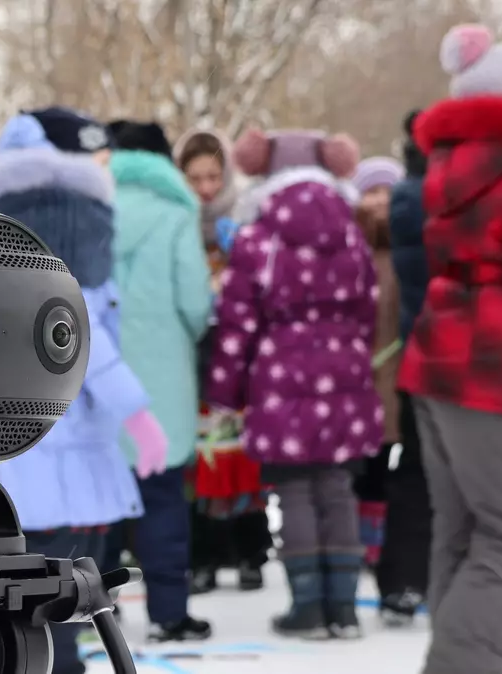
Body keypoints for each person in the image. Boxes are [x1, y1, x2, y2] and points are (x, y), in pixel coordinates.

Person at [0, 107, 168, 674]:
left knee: (36, 586)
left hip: (29, 452)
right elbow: (87, 347)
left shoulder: (6, 259)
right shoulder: (64, 263)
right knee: (57, 589)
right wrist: (137, 414)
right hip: (62, 456)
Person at [206, 128, 382, 639]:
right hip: (345, 373)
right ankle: (344, 610)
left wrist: (224, 390)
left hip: (280, 374)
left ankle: (307, 607)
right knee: (338, 487)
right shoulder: (350, 233)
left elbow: (237, 320)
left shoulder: (259, 240)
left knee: (296, 490)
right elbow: (368, 305)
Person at [397, 24, 502, 674]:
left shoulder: (450, 164)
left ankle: (458, 659)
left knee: (463, 527)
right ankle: (463, 664)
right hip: (492, 368)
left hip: (437, 358)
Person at [105, 120, 215, 642]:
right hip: (161, 377)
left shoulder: (93, 209)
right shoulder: (177, 213)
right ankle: (170, 613)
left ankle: (90, 614)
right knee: (163, 497)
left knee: (99, 502)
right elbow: (196, 303)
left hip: (99, 372)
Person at [174, 127, 273, 595]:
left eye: (214, 176)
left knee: (241, 452)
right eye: (195, 178)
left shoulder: (246, 216)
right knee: (204, 455)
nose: (206, 188)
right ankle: (206, 554)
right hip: (193, 348)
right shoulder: (173, 221)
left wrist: (246, 255)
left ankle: (251, 549)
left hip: (240, 348)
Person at [376, 109, 431, 627]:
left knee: (417, 474)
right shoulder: (431, 198)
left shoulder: (408, 196)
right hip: (465, 364)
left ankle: (404, 581)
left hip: (423, 359)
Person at [348, 156, 404, 572]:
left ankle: (380, 540)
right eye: (371, 192)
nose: (379, 201)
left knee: (389, 463)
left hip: (399, 374)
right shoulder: (352, 250)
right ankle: (361, 539)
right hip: (358, 377)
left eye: (386, 191)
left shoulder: (408, 248)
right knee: (361, 465)